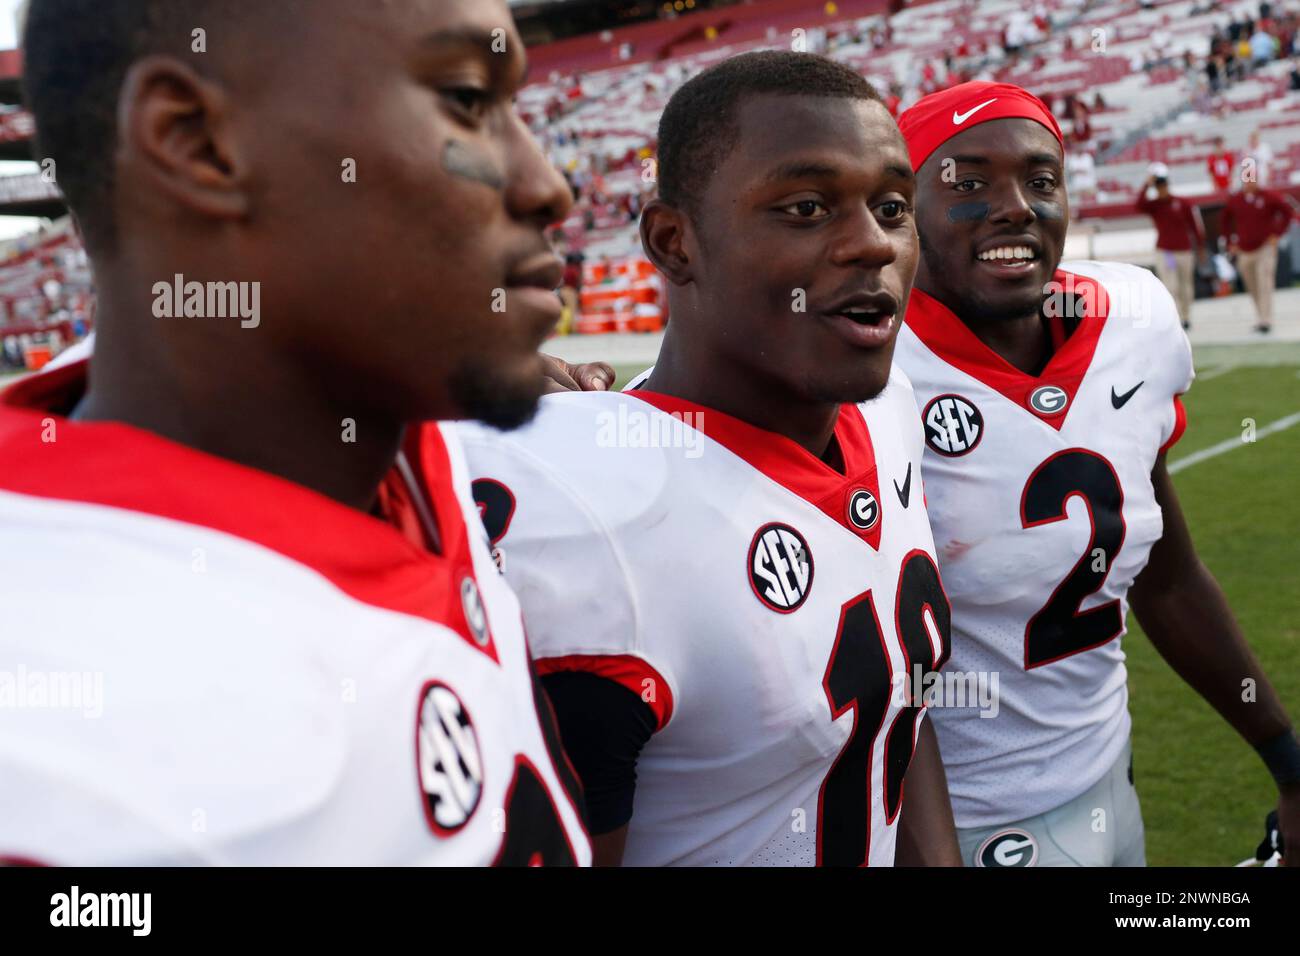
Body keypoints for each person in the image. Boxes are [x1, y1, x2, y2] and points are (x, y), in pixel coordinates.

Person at [0, 0, 592, 866]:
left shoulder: (370, 411)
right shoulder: (74, 771)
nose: (550, 186)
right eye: (467, 99)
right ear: (197, 141)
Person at [460, 51, 960, 867]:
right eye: (806, 207)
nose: (872, 244)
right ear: (673, 241)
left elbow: (895, 719)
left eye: (893, 206)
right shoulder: (586, 506)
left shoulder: (889, 406)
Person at [892, 81, 1299, 866]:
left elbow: (1168, 577)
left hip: (1109, 773)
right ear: (901, 210)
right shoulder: (867, 371)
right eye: (968, 183)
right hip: (963, 818)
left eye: (1041, 180)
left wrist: (1285, 757)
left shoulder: (1134, 320)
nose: (1015, 206)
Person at [1221, 178, 1297, 332]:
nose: (1250, 184)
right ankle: (1260, 315)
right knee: (1252, 285)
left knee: (1265, 282)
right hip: (1244, 250)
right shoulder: (1236, 199)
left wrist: (1277, 234)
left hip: (1265, 248)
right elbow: (1225, 220)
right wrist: (1231, 242)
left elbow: (1288, 212)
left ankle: (1266, 320)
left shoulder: (1269, 196)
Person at [1134, 163, 1205, 328]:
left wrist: (1200, 247)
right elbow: (1138, 205)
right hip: (1166, 252)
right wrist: (1147, 184)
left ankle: (1186, 316)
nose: (1162, 188)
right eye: (1158, 185)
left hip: (1184, 251)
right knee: (1170, 286)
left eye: (1163, 184)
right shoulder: (1155, 205)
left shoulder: (1182, 203)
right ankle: (1176, 317)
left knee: (1185, 285)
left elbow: (1195, 227)